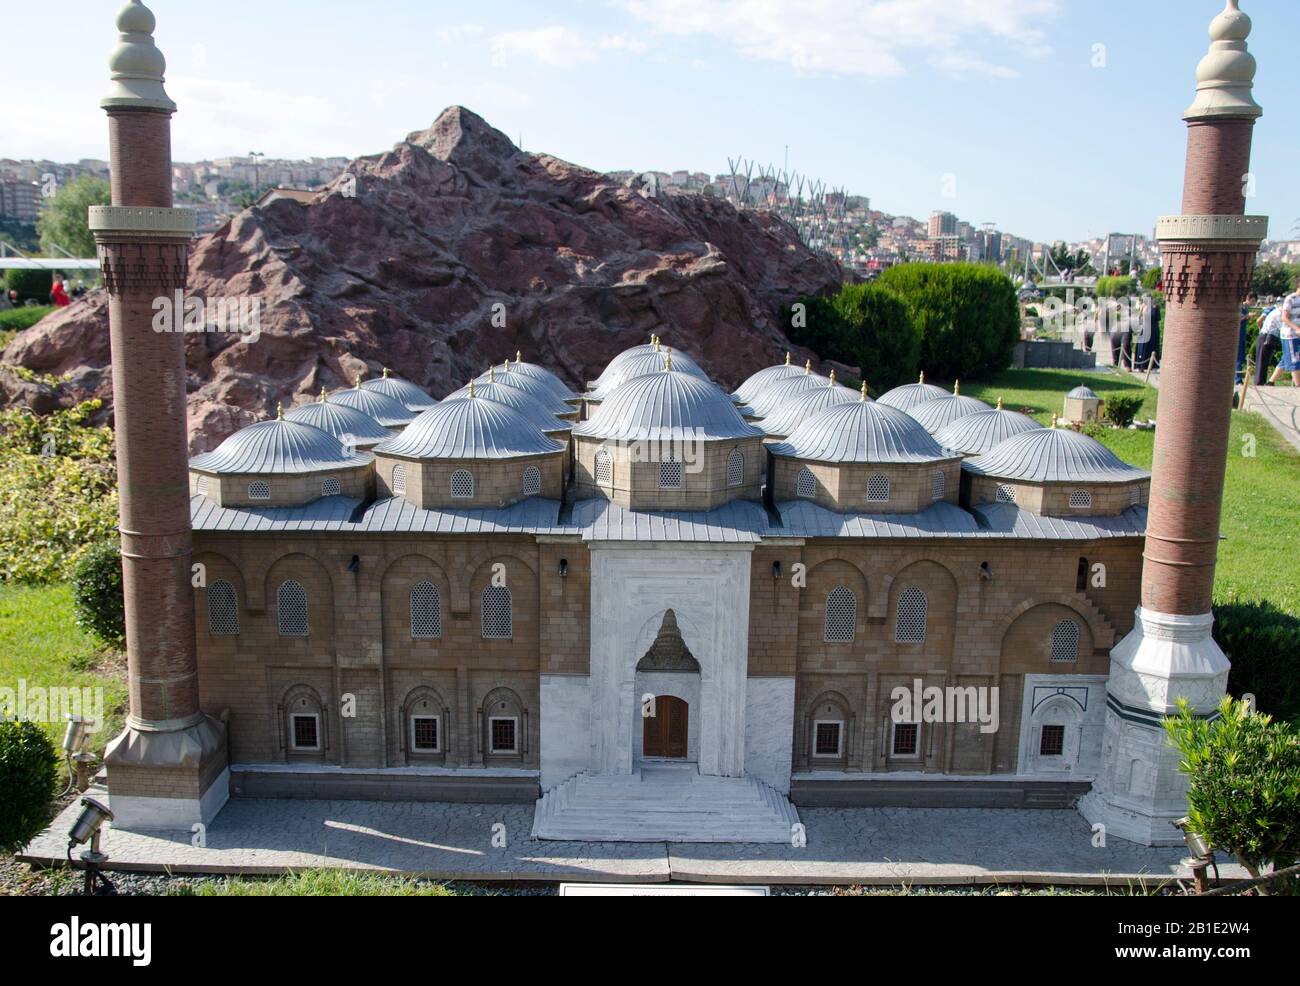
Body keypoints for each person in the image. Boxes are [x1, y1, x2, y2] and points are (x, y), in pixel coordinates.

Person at [1269, 279, 1300, 388]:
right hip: (1290, 334)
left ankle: (1271, 381)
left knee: (1287, 357)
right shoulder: (1290, 298)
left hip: (1298, 334)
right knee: (1294, 358)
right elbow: (1284, 317)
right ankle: (1298, 385)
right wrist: (1297, 328)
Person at [1254, 303, 1281, 385]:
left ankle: (1261, 382)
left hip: (1267, 337)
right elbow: (1282, 327)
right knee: (1262, 363)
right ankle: (1259, 383)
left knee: (1264, 362)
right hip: (1266, 337)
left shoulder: (1276, 311)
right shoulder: (1279, 313)